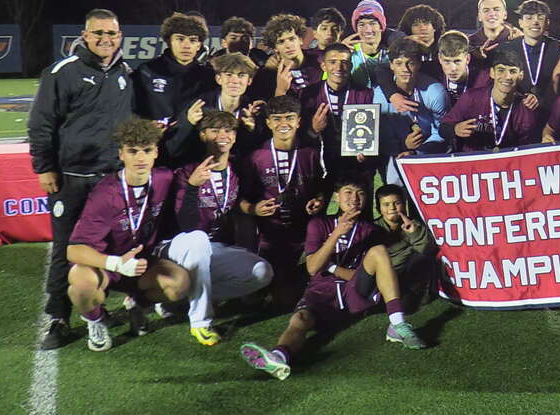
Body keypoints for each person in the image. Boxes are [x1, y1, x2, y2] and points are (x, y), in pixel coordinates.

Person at [239, 177, 426, 381]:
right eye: (348, 192)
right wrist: (336, 234)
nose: (354, 198)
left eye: (360, 194)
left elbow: (373, 269)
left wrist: (413, 234)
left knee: (379, 251)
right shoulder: (319, 224)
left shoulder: (371, 230)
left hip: (354, 290)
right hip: (322, 291)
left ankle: (397, 325)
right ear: (336, 197)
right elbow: (312, 268)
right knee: (300, 319)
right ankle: (278, 356)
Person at [29, 8, 135, 349]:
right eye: (99, 33)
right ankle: (59, 318)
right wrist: (45, 167)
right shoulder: (63, 72)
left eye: (112, 33)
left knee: (116, 244)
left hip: (110, 179)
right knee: (66, 248)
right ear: (85, 35)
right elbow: (41, 123)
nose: (106, 39)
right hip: (72, 178)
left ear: (120, 36)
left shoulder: (125, 73)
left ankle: (123, 305)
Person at [65, 117, 194, 351]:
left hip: (144, 264)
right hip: (106, 265)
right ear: (121, 154)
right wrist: (114, 263)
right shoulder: (105, 193)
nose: (140, 158)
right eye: (132, 151)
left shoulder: (165, 179)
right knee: (79, 283)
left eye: (147, 150)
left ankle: (138, 304)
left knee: (179, 284)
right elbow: (74, 250)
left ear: (156, 152)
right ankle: (96, 319)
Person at [172, 110, 274, 346]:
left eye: (228, 130)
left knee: (262, 272)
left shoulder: (237, 170)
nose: (222, 135)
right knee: (197, 238)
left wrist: (254, 209)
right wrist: (191, 187)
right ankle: (201, 322)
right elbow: (184, 224)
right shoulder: (187, 170)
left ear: (235, 137)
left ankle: (181, 295)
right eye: (214, 130)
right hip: (179, 247)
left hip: (214, 247)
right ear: (202, 135)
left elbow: (239, 203)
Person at [239, 96, 326, 308]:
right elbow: (239, 199)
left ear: (298, 121)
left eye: (289, 118)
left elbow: (322, 187)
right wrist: (253, 209)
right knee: (257, 298)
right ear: (268, 123)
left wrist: (319, 201)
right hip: (268, 235)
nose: (283, 124)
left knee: (292, 297)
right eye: (276, 119)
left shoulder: (311, 153)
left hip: (304, 235)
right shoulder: (256, 156)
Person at [372, 38, 450, 184]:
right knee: (394, 193)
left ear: (419, 64)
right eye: (399, 63)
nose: (405, 69)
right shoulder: (380, 95)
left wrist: (418, 152)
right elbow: (383, 133)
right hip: (394, 153)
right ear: (391, 66)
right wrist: (402, 148)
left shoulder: (435, 91)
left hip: (430, 151)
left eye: (411, 63)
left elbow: (443, 130)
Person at [168, 52, 265, 165]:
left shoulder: (254, 109)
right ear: (218, 79)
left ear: (249, 81)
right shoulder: (199, 106)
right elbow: (173, 149)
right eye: (229, 75)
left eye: (241, 75)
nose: (234, 81)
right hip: (200, 165)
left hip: (237, 170)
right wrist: (188, 123)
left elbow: (257, 153)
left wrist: (251, 130)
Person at [440, 49, 539, 151]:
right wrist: (454, 129)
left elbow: (527, 150)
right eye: (501, 70)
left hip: (508, 163)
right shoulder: (471, 98)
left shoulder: (526, 108)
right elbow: (443, 128)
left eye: (512, 71)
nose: (507, 77)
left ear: (521, 76)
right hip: (473, 161)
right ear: (492, 73)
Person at [299, 43, 373, 176]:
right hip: (321, 163)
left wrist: (367, 149)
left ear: (350, 66)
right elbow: (299, 136)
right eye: (332, 62)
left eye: (344, 62)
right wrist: (313, 130)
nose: (338, 67)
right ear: (323, 66)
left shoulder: (365, 94)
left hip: (355, 165)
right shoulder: (307, 94)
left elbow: (372, 133)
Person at [131, 12, 214, 129]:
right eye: (180, 39)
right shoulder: (147, 71)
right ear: (169, 41)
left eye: (192, 40)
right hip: (155, 141)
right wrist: (145, 126)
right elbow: (131, 110)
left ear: (199, 45)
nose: (186, 46)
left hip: (195, 143)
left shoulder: (209, 76)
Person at [370, 184, 437, 306]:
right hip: (385, 277)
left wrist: (414, 233)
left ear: (404, 204)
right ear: (378, 208)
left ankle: (419, 293)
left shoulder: (414, 224)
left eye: (397, 203)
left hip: (408, 274)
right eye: (386, 204)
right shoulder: (373, 229)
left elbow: (428, 250)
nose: (392, 208)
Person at [498, 0, 560, 103]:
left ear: (547, 23)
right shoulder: (507, 49)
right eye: (529, 18)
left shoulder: (558, 48)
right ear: (520, 23)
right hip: (516, 107)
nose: (535, 22)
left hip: (549, 109)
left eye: (540, 18)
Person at [250, 13, 323, 100]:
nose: (288, 45)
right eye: (281, 42)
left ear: (300, 40)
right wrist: (280, 91)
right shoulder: (266, 75)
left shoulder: (320, 58)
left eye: (291, 39)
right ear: (275, 48)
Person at [345, 0, 400, 88]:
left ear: (381, 27)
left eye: (372, 23)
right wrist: (339, 53)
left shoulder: (393, 54)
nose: (368, 30)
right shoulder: (349, 54)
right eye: (361, 25)